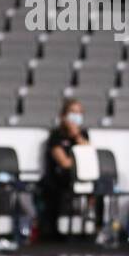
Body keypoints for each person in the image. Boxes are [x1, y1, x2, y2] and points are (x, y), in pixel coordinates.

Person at [40, 98, 91, 239]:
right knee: (53, 190)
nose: (77, 116)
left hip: (79, 178)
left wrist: (77, 136)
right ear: (64, 115)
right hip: (58, 179)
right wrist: (78, 160)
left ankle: (90, 230)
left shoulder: (83, 135)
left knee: (96, 188)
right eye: (73, 112)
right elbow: (64, 163)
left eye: (80, 112)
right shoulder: (56, 135)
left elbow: (89, 156)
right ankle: (53, 234)